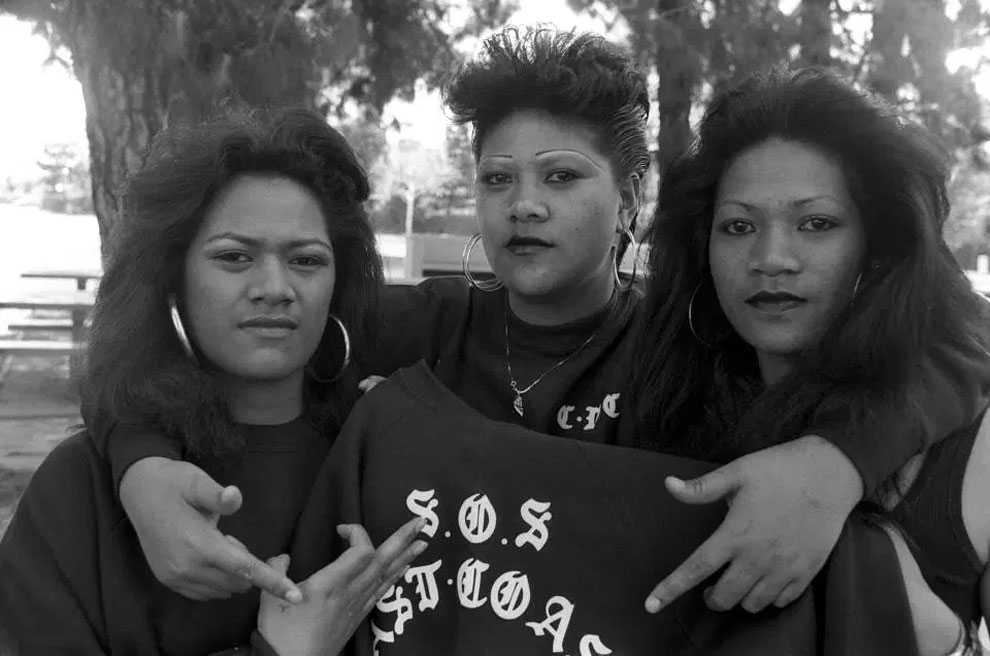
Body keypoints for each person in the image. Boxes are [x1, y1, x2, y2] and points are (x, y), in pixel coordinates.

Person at [89, 26, 990, 623]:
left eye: (561, 178)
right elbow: (194, 336)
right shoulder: (413, 328)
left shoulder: (697, 345)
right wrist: (141, 466)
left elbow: (957, 344)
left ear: (631, 195)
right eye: (497, 180)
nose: (524, 206)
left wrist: (836, 464)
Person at [0, 107, 427, 655]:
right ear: (172, 282)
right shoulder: (85, 487)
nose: (275, 286)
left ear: (337, 284)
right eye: (234, 257)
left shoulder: (388, 461)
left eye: (306, 259)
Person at [630, 66, 990, 654]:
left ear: (874, 246)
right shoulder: (655, 402)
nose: (771, 258)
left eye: (816, 223)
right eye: (739, 226)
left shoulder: (976, 448)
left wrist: (934, 634)